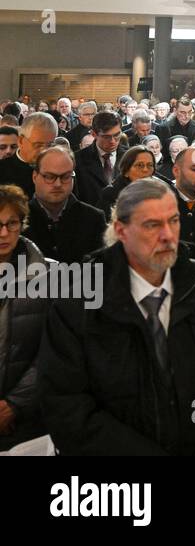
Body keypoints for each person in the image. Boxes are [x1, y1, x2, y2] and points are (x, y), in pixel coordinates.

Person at [38, 179, 195, 454]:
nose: (168, 235)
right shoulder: (78, 301)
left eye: (173, 220)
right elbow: (67, 403)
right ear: (121, 230)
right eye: (152, 225)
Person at [0, 186, 52, 450]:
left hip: (24, 417)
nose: (3, 233)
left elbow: (50, 347)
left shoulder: (48, 276)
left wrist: (14, 405)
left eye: (12, 223)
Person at [24, 146, 104, 264]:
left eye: (65, 177)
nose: (57, 184)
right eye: (50, 177)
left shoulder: (94, 218)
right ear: (35, 177)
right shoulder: (18, 219)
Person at [73, 110, 123, 208]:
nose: (113, 141)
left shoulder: (131, 157)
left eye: (117, 135)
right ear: (93, 134)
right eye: (106, 137)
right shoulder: (78, 160)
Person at [0, 111, 58, 197]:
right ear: (20, 141)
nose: (44, 151)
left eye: (50, 145)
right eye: (38, 145)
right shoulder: (2, 170)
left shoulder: (59, 168)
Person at [96, 145, 160, 221]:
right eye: (140, 165)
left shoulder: (160, 193)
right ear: (126, 171)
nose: (145, 170)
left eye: (150, 165)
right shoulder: (111, 194)